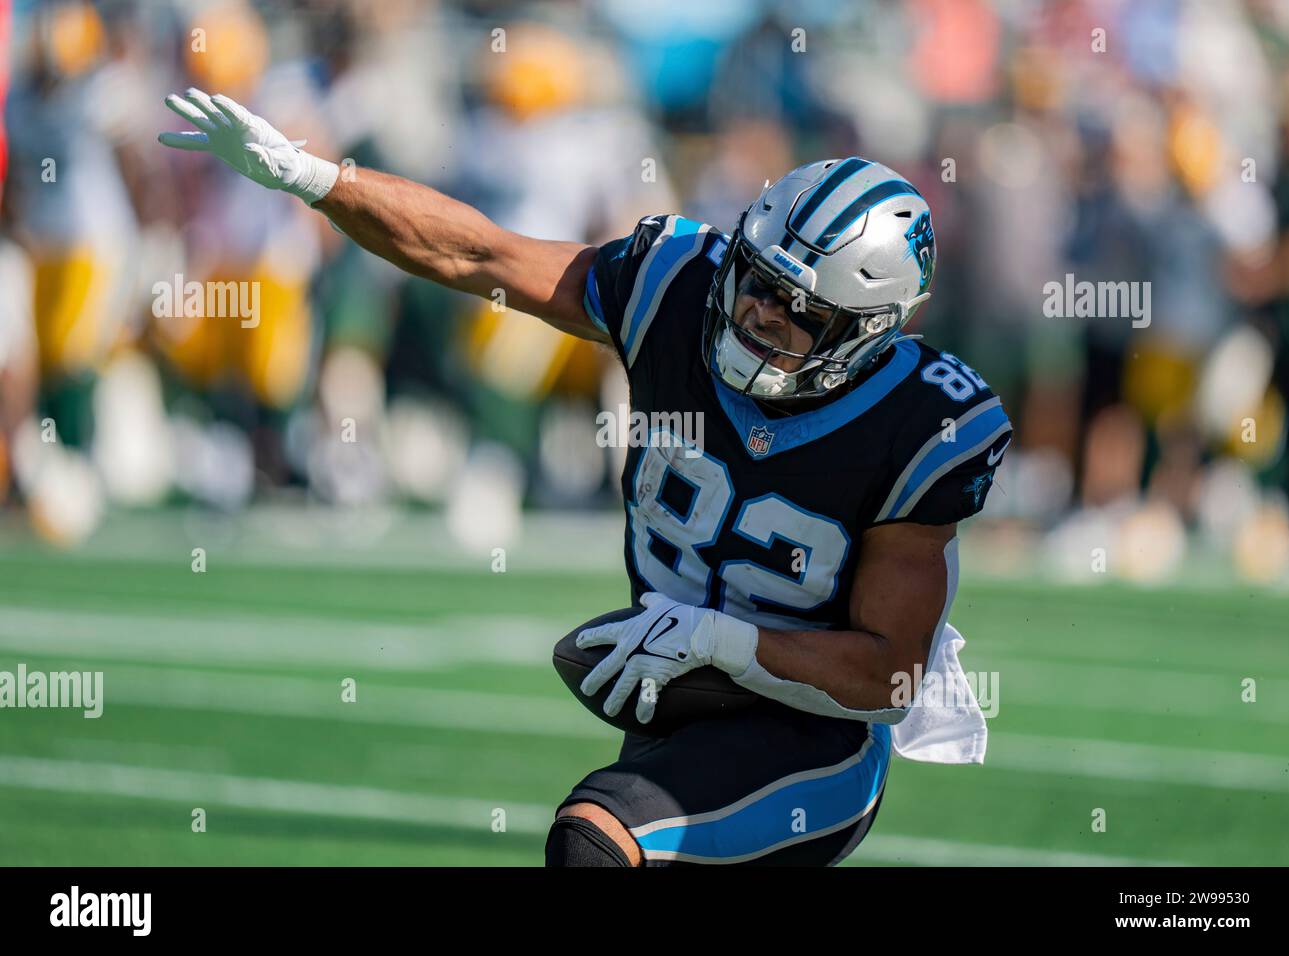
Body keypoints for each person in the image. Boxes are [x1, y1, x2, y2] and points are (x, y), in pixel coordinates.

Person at [159, 89, 1012, 866]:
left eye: (799, 312)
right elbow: (479, 257)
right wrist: (311, 177)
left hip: (812, 736)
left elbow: (889, 676)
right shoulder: (674, 287)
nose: (759, 312)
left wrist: (721, 642)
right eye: (756, 281)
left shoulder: (919, 425)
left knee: (597, 846)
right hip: (673, 702)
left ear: (868, 334)